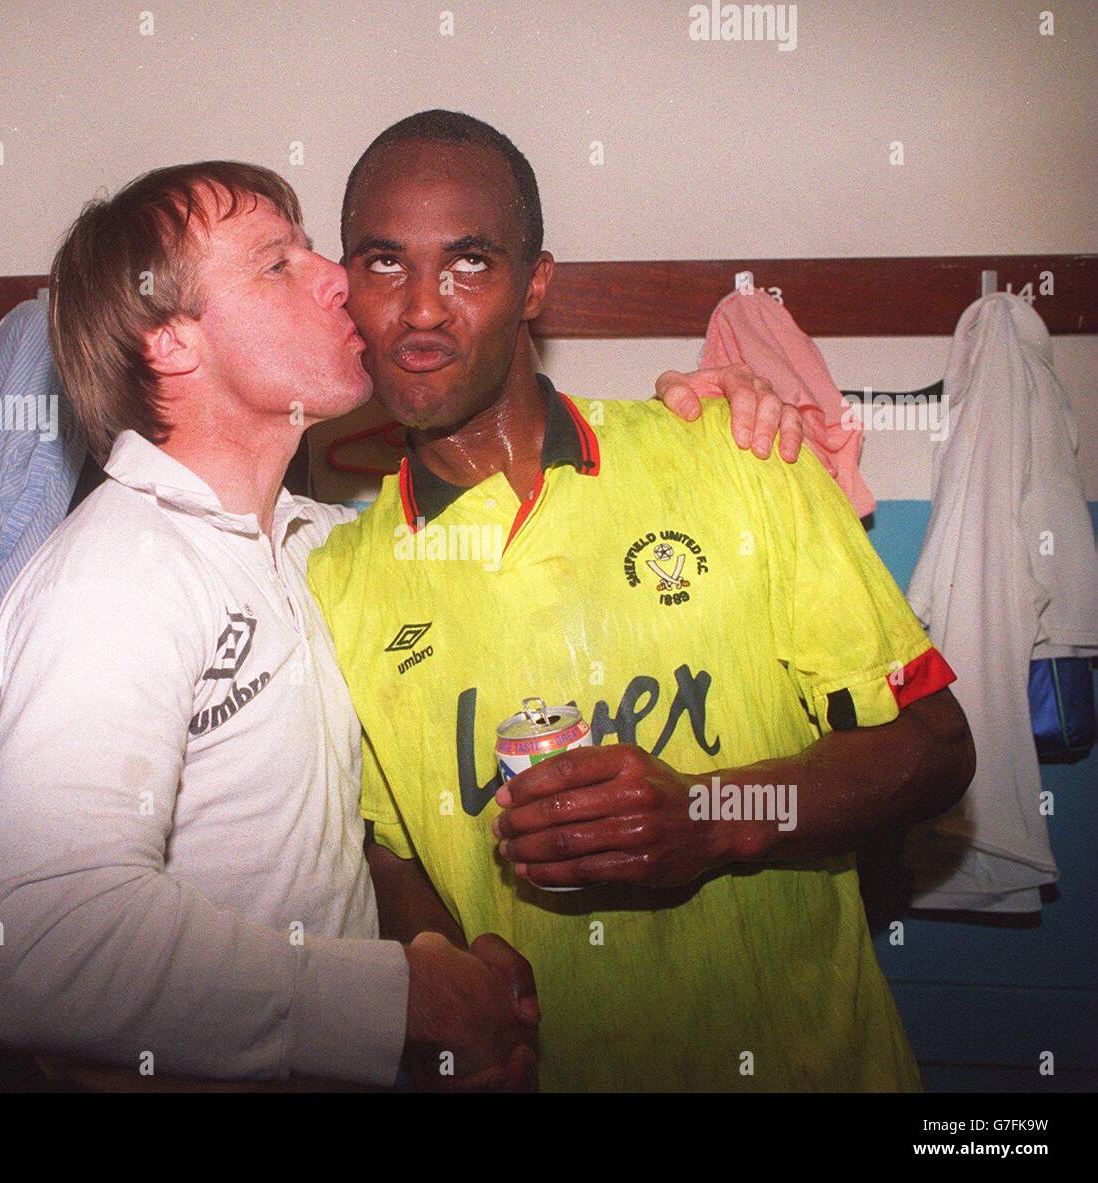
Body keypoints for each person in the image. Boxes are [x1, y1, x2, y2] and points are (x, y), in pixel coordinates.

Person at [0, 158, 798, 1090]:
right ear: (169, 341)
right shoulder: (114, 573)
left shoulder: (318, 547)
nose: (337, 278)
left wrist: (702, 430)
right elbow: (39, 949)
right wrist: (403, 998)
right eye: (277, 262)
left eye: (316, 247)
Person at [306, 110, 977, 1091]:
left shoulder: (735, 454)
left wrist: (713, 817)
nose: (419, 308)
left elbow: (935, 747)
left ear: (535, 283)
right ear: (345, 287)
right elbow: (384, 847)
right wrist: (444, 980)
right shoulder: (335, 583)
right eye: (381, 263)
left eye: (470, 262)